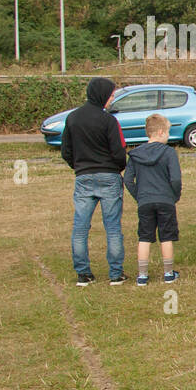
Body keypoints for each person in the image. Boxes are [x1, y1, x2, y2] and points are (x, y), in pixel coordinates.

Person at [61, 77, 127, 286]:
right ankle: (116, 274)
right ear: (102, 95)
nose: (112, 98)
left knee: (80, 227)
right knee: (113, 227)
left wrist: (79, 166)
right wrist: (117, 168)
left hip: (83, 177)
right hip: (108, 176)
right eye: (111, 95)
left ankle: (83, 273)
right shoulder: (109, 121)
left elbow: (66, 150)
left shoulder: (72, 118)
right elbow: (119, 151)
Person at [123, 113, 182, 285]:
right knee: (166, 236)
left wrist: (138, 196)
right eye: (169, 133)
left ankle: (142, 275)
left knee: (144, 236)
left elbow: (127, 180)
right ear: (162, 132)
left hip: (145, 201)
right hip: (165, 200)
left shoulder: (135, 154)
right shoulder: (169, 153)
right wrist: (174, 195)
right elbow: (176, 179)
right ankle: (169, 273)